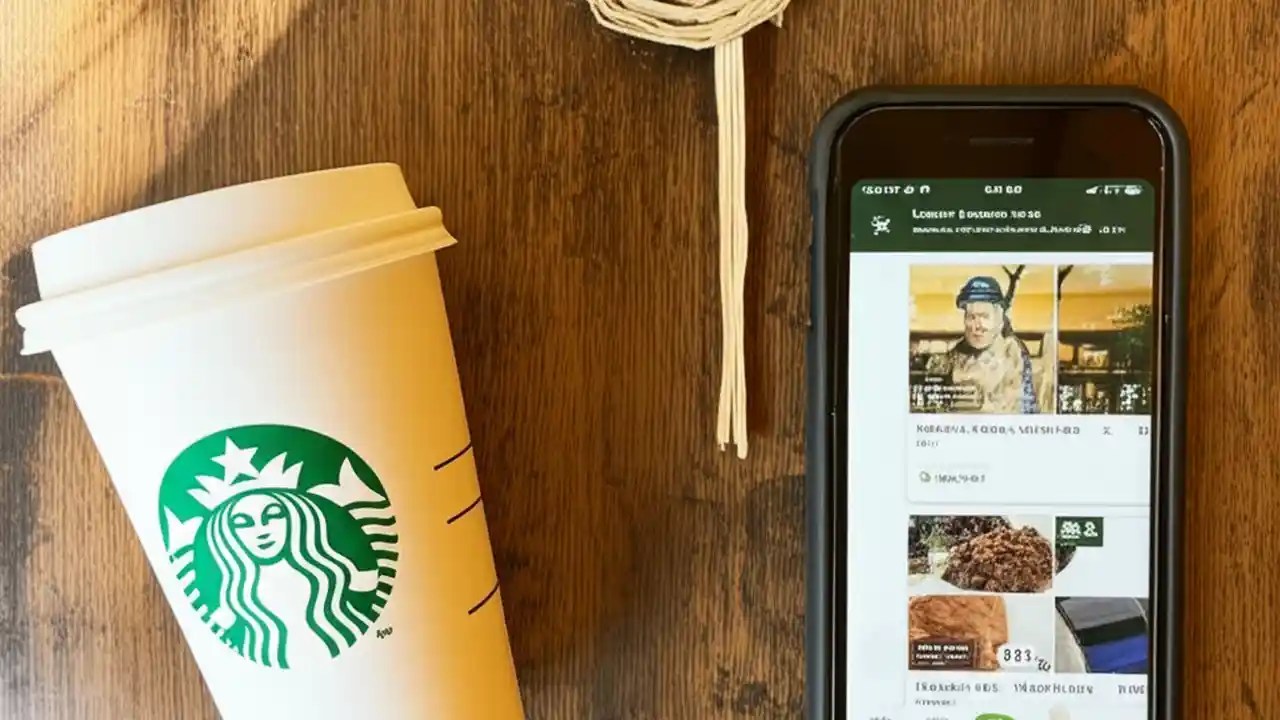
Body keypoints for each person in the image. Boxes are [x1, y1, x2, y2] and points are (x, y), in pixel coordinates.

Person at [202, 488, 380, 668]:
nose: (261, 530)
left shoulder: (336, 572)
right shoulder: (233, 599)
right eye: (243, 524)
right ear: (228, 536)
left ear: (294, 518)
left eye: (273, 515)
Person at [925, 275, 1039, 413]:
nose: (977, 326)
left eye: (984, 316)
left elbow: (1025, 410)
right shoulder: (952, 358)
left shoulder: (1014, 353)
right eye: (971, 317)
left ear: (999, 318)